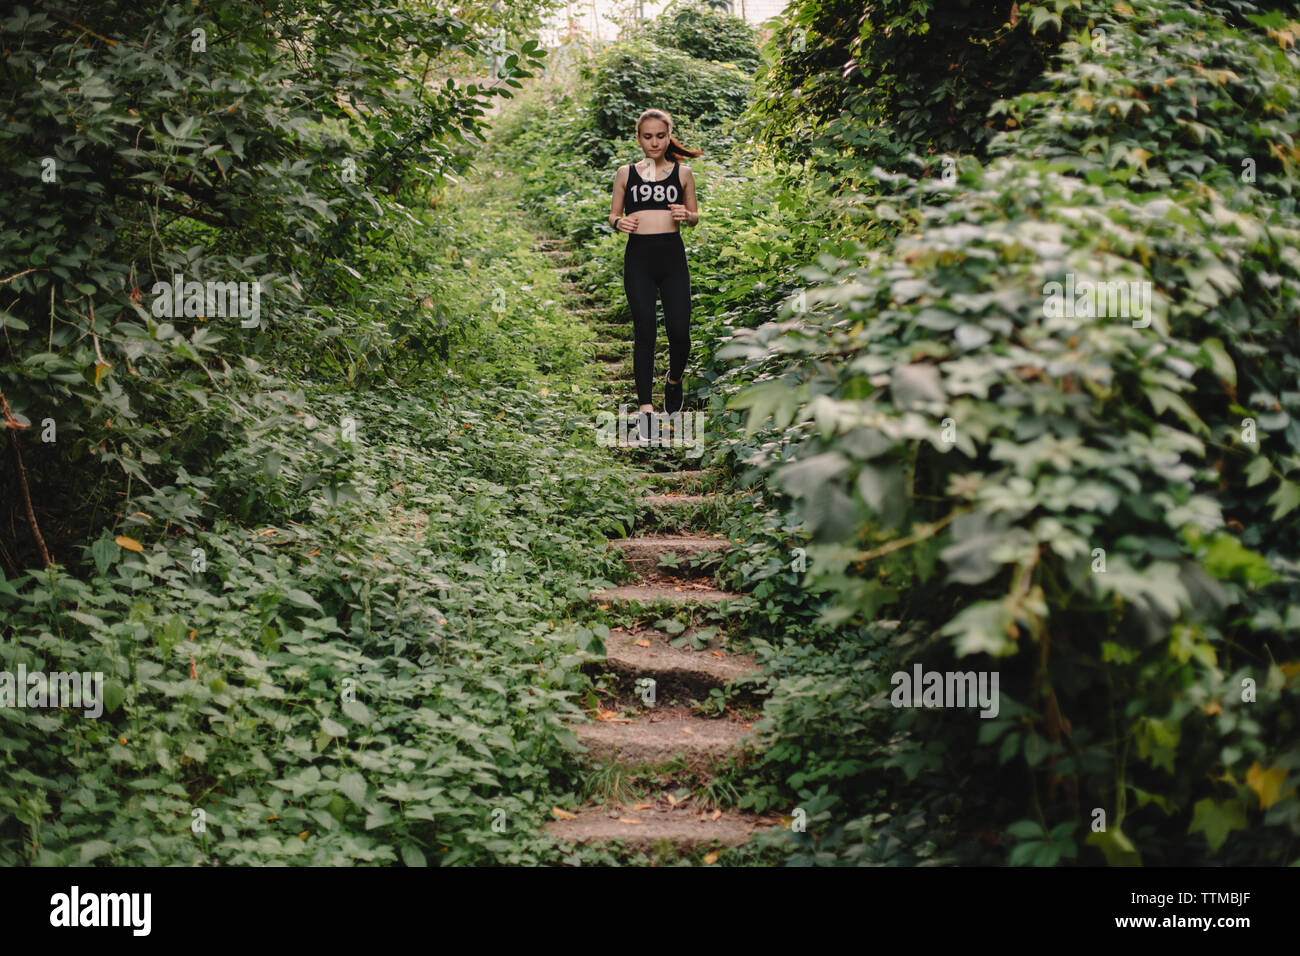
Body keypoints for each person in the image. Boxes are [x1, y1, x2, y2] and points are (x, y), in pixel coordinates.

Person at [608, 108, 701, 442]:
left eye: (660, 135)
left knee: (679, 331)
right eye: (647, 136)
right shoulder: (625, 173)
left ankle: (674, 381)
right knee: (645, 329)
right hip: (639, 259)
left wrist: (686, 214)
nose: (654, 142)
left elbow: (694, 217)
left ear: (668, 134)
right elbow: (613, 215)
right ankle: (645, 407)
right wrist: (620, 223)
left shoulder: (683, 173)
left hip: (672, 257)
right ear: (638, 138)